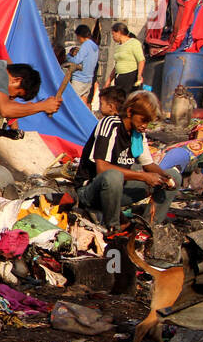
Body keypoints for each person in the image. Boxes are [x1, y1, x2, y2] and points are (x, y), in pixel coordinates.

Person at [76, 89, 179, 229]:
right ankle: (114, 227)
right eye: (143, 120)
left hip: (118, 191)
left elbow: (148, 165)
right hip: (91, 191)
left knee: (174, 176)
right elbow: (102, 169)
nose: (145, 126)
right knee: (113, 176)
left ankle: (149, 227)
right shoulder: (110, 124)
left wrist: (164, 177)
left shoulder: (138, 134)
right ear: (130, 112)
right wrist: (143, 177)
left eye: (148, 122)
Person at [106, 22, 145, 93]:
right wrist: (109, 80)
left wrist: (139, 75)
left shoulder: (134, 43)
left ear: (119, 32)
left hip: (130, 76)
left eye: (113, 34)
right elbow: (117, 65)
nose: (113, 36)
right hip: (119, 77)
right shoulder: (118, 46)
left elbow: (141, 60)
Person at [68, 24, 100, 100]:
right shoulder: (95, 46)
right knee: (83, 102)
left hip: (80, 79)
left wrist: (68, 56)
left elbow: (76, 61)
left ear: (80, 35)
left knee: (74, 102)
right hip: (89, 79)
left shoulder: (86, 45)